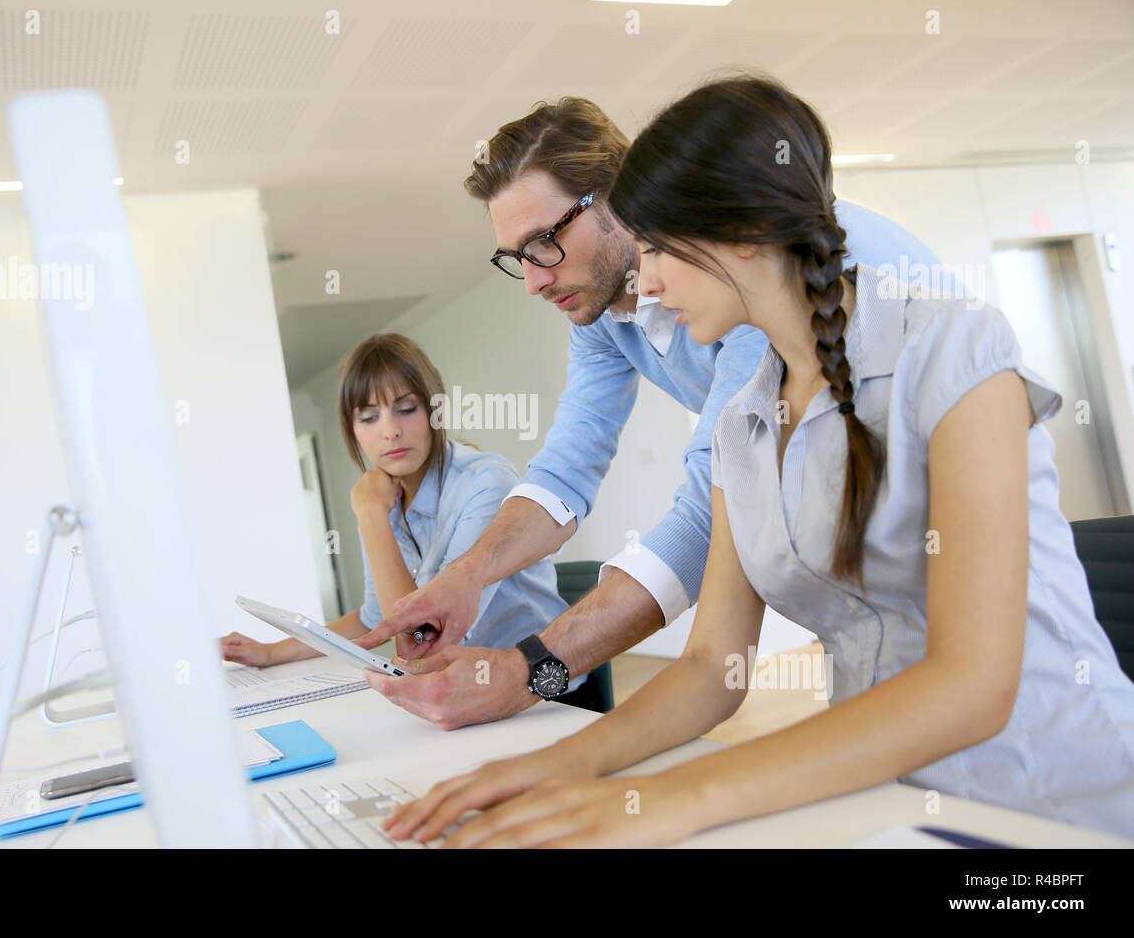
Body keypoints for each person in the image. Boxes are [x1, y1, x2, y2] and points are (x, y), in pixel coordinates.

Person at [381, 74, 1134, 847]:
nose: (652, 284)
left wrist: (663, 792)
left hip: (1055, 817)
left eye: (659, 249)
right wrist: (555, 763)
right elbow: (713, 664)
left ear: (740, 232)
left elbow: (972, 685)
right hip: (884, 804)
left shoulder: (956, 348)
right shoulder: (746, 417)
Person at [362, 95, 957, 729]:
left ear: (622, 199)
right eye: (517, 257)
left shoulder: (767, 287)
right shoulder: (610, 305)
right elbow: (570, 468)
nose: (533, 282)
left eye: (543, 242)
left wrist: (527, 673)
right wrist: (469, 575)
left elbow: (704, 514)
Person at [220, 333, 582, 705]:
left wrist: (372, 517)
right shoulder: (382, 495)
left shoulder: (486, 483)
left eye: (406, 409)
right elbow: (373, 618)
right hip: (459, 688)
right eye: (369, 417)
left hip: (541, 694)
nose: (389, 430)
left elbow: (419, 639)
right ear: (354, 430)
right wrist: (269, 652)